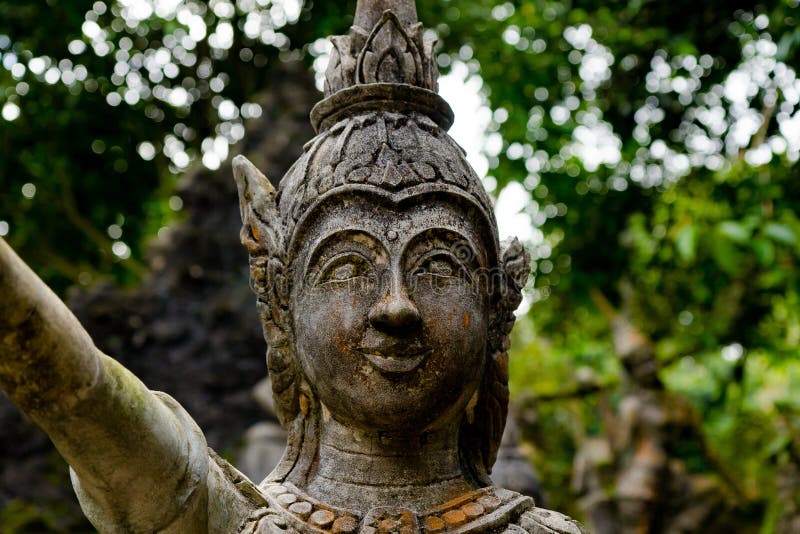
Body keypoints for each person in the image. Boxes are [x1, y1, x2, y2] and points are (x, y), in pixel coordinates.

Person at [0, 1, 586, 532]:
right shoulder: (232, 521)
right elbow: (90, 401)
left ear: (496, 309)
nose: (397, 306)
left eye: (437, 266)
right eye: (349, 266)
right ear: (279, 304)